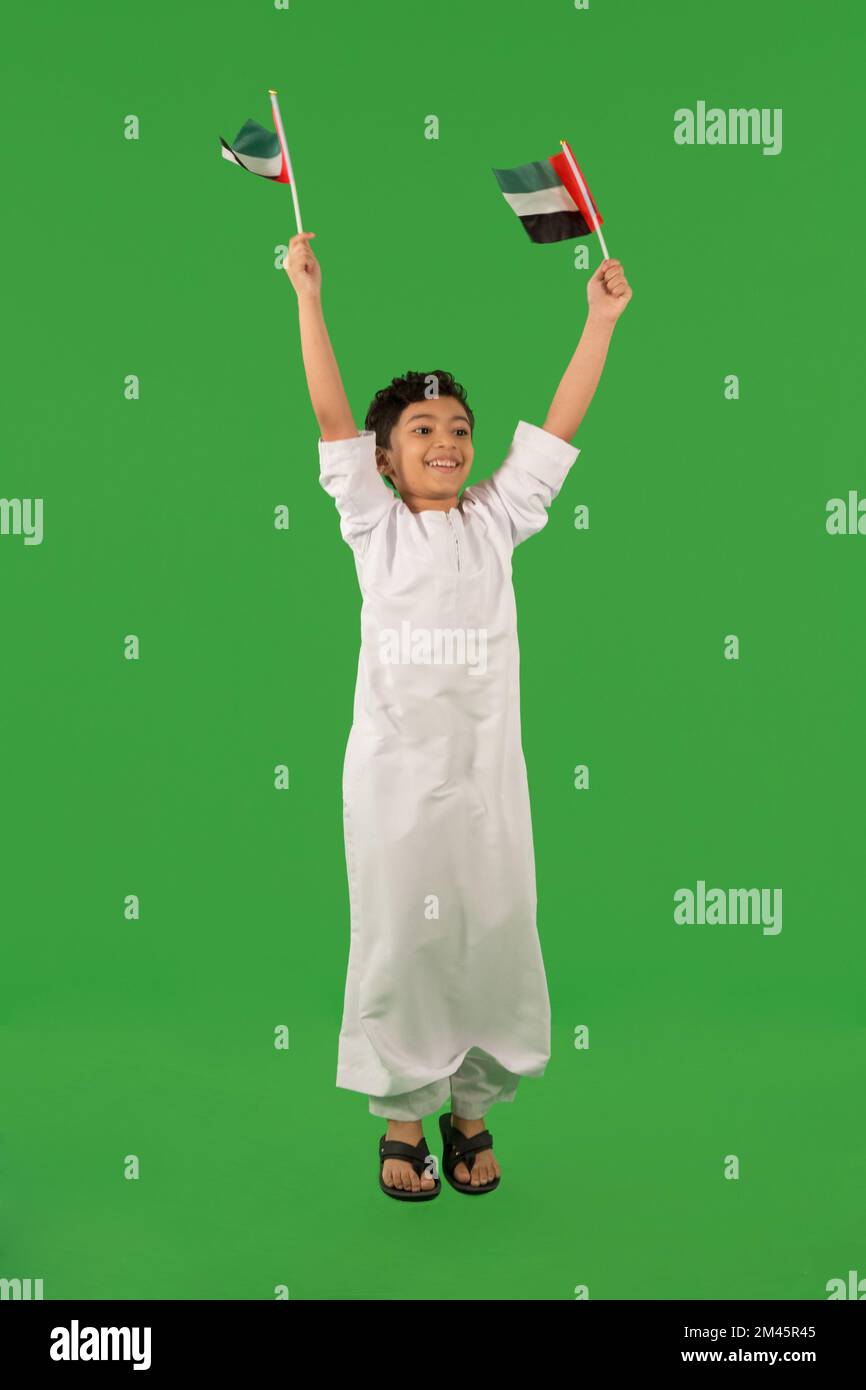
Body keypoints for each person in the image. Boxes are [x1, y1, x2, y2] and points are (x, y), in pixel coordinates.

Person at [285, 231, 632, 1200]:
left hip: (485, 782)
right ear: (385, 460)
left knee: (492, 927)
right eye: (421, 431)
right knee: (401, 933)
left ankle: (469, 1108)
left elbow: (557, 426)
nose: (445, 442)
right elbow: (325, 409)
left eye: (457, 429)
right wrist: (308, 296)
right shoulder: (373, 526)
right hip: (394, 779)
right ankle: (402, 1114)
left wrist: (597, 319)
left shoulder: (494, 521)